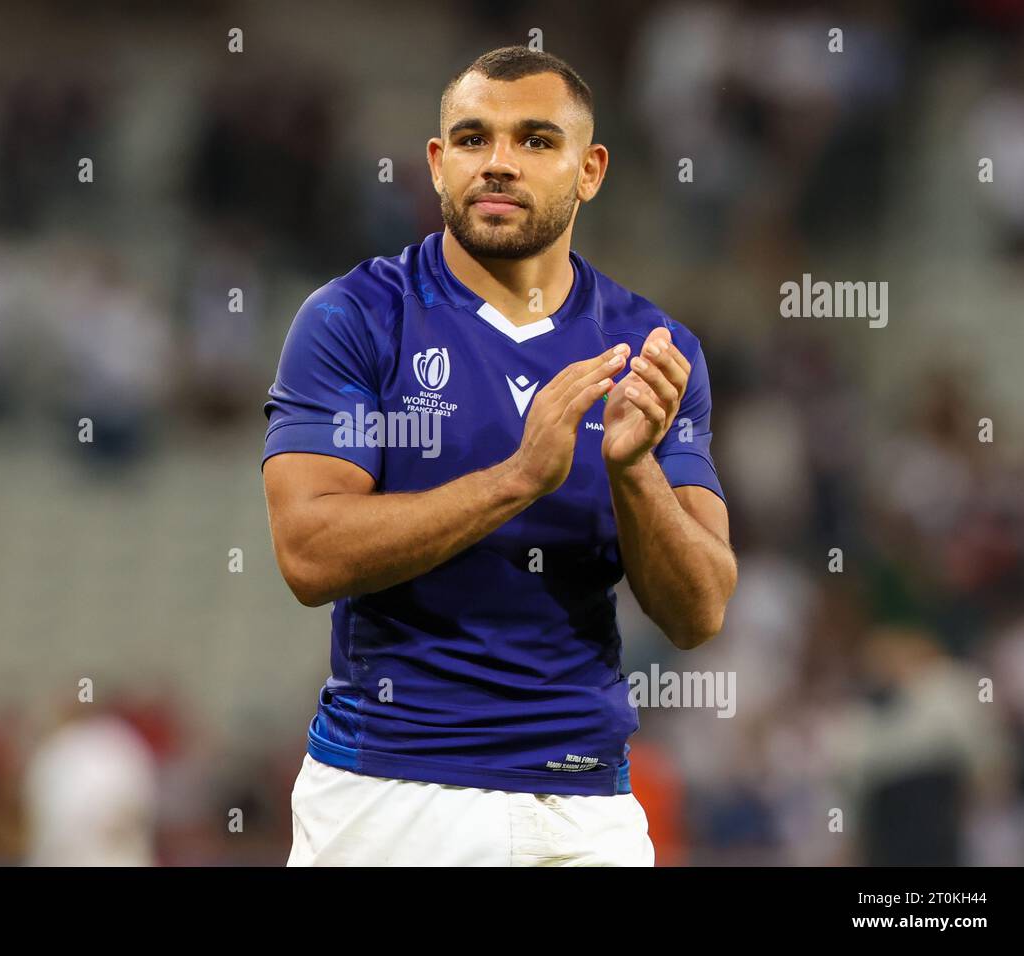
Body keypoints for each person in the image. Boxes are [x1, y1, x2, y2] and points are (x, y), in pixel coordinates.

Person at [262, 46, 737, 866]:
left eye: (536, 141)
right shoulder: (353, 319)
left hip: (586, 805)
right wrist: (519, 479)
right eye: (475, 139)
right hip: (391, 795)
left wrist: (635, 474)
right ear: (439, 164)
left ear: (589, 170)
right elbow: (308, 553)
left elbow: (699, 612)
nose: (500, 164)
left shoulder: (652, 349)